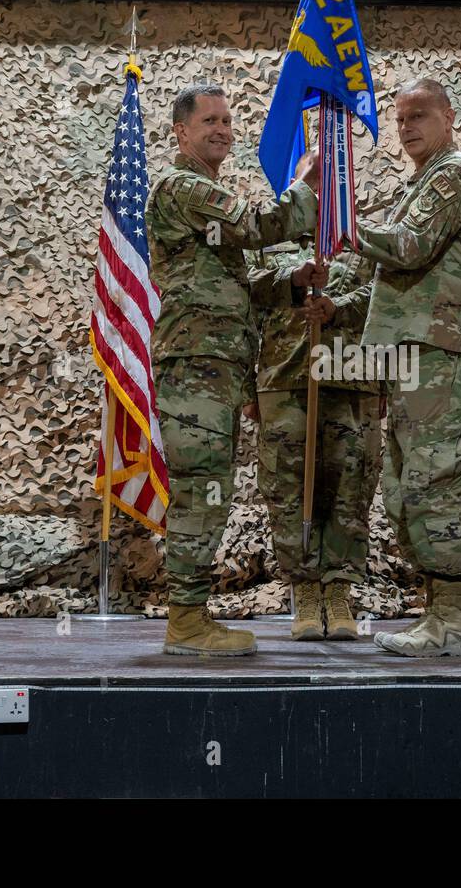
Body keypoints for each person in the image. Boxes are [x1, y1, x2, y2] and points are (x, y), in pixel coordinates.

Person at [147, 84, 326, 656]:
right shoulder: (184, 187)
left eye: (228, 120)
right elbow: (256, 226)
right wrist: (306, 185)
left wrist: (291, 284)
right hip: (195, 363)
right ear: (181, 133)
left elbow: (240, 284)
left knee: (210, 488)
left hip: (218, 365)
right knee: (202, 487)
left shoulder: (206, 199)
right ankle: (186, 622)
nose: (222, 129)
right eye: (209, 121)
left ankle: (192, 615)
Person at [348, 79, 461, 657]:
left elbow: (411, 247)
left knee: (432, 482)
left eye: (419, 116)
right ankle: (438, 612)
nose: (407, 127)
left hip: (443, 351)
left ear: (448, 118)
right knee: (404, 488)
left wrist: (343, 224)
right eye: (401, 118)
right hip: (414, 353)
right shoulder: (422, 182)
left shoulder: (458, 173)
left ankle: (452, 620)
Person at [250, 237, 379, 640]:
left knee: (350, 487)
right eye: (313, 172)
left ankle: (339, 593)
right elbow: (246, 301)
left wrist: (387, 384)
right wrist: (244, 385)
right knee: (287, 488)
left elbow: (385, 300)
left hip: (353, 378)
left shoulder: (364, 238)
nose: (320, 176)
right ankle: (305, 593)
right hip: (283, 379)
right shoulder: (268, 239)